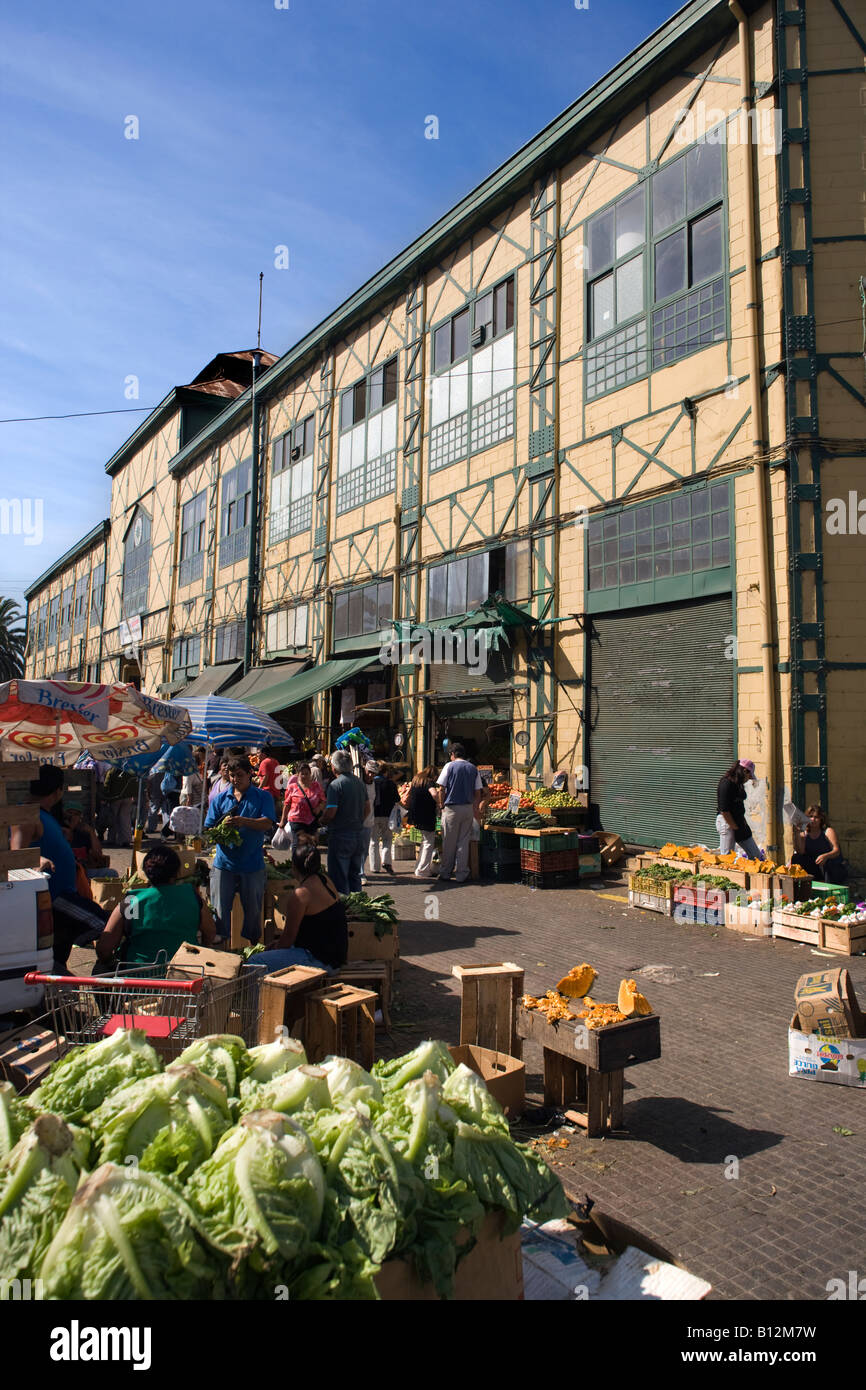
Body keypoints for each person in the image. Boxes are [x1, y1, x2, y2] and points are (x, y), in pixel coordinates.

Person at [10, 766, 109, 971]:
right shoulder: (27, 814)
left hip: (63, 895)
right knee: (104, 924)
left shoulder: (42, 814)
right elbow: (16, 853)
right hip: (56, 896)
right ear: (58, 791)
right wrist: (38, 859)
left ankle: (56, 971)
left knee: (58, 950)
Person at [94, 846, 216, 971]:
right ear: (177, 873)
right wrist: (203, 949)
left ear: (145, 872)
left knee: (100, 969)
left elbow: (104, 949)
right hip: (185, 973)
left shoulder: (133, 902)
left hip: (138, 976)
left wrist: (110, 962)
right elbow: (210, 932)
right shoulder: (192, 897)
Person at [245, 843, 348, 975]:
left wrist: (273, 948)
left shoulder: (300, 895)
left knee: (254, 962)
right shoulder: (325, 880)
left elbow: (287, 940)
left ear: (294, 867)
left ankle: (259, 990)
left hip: (320, 961)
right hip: (336, 957)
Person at [205, 756, 276, 943]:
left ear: (250, 774)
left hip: (252, 865)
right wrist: (219, 831)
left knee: (253, 912)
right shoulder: (220, 799)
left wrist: (244, 821)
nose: (235, 779)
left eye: (239, 775)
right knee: (219, 912)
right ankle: (222, 946)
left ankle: (253, 948)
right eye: (232, 775)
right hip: (224, 865)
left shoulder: (262, 797)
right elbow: (209, 828)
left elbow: (267, 823)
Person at [320, 750, 367, 895]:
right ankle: (358, 904)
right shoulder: (360, 783)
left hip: (340, 834)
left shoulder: (335, 785)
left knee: (339, 877)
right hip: (357, 833)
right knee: (354, 875)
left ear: (334, 767)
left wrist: (321, 821)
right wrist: (358, 820)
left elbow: (331, 811)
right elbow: (368, 808)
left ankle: (343, 906)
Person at [434, 743, 482, 884]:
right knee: (463, 841)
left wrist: (441, 805)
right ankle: (462, 874)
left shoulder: (449, 766)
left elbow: (441, 788)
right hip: (467, 808)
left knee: (449, 842)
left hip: (452, 808)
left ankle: (446, 872)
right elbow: (478, 792)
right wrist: (474, 808)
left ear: (453, 754)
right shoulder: (473, 768)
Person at [716, 759, 762, 859]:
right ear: (744, 771)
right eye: (749, 776)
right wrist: (735, 828)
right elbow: (724, 810)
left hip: (739, 821)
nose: (748, 779)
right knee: (727, 858)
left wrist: (741, 827)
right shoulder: (726, 783)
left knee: (756, 856)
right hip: (727, 822)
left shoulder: (738, 784)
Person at [791, 806, 848, 883]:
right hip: (814, 865)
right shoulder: (804, 833)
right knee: (797, 858)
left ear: (821, 819)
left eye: (816, 817)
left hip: (829, 865)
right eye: (810, 817)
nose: (813, 820)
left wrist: (825, 856)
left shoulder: (828, 831)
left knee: (828, 864)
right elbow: (801, 852)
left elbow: (836, 850)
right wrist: (797, 833)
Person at [279, 762, 327, 850]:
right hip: (296, 820)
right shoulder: (292, 787)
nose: (304, 776)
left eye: (306, 773)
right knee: (297, 844)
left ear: (310, 774)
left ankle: (310, 859)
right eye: (302, 774)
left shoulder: (316, 786)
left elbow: (323, 801)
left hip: (312, 820)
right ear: (298, 774)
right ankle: (296, 859)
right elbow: (287, 804)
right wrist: (283, 820)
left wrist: (319, 808)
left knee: (312, 845)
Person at [407, 765, 438, 879]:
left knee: (424, 842)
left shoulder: (416, 780)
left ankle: (418, 867)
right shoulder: (429, 782)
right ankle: (423, 870)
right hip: (426, 814)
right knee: (428, 842)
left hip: (416, 814)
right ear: (433, 775)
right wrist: (440, 802)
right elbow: (434, 793)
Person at [368, 762, 399, 876]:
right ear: (385, 772)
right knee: (387, 839)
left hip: (373, 814)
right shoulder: (390, 783)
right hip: (387, 815)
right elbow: (397, 798)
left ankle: (374, 866)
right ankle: (386, 861)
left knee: (373, 841)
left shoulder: (372, 782)